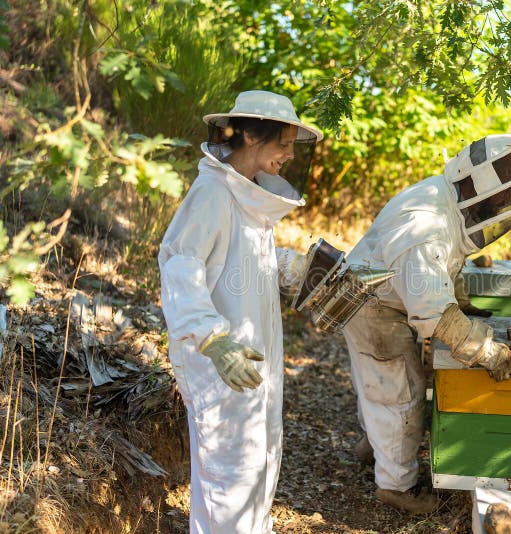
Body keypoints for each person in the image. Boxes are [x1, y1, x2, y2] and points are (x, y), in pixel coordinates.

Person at [342, 134, 511, 514]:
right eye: (505, 192)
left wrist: (463, 303)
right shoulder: (424, 223)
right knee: (400, 394)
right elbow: (432, 309)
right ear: (483, 183)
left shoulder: (444, 201)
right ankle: (395, 486)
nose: (505, 203)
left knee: (385, 383)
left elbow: (445, 262)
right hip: (373, 307)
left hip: (388, 297)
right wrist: (486, 352)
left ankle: (375, 445)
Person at [158, 90, 322, 533]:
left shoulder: (246, 195)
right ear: (250, 134)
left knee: (258, 464)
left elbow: (243, 259)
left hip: (250, 360)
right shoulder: (212, 192)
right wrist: (213, 339)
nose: (289, 155)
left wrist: (295, 266)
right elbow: (181, 266)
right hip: (221, 364)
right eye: (283, 143)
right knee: (229, 477)